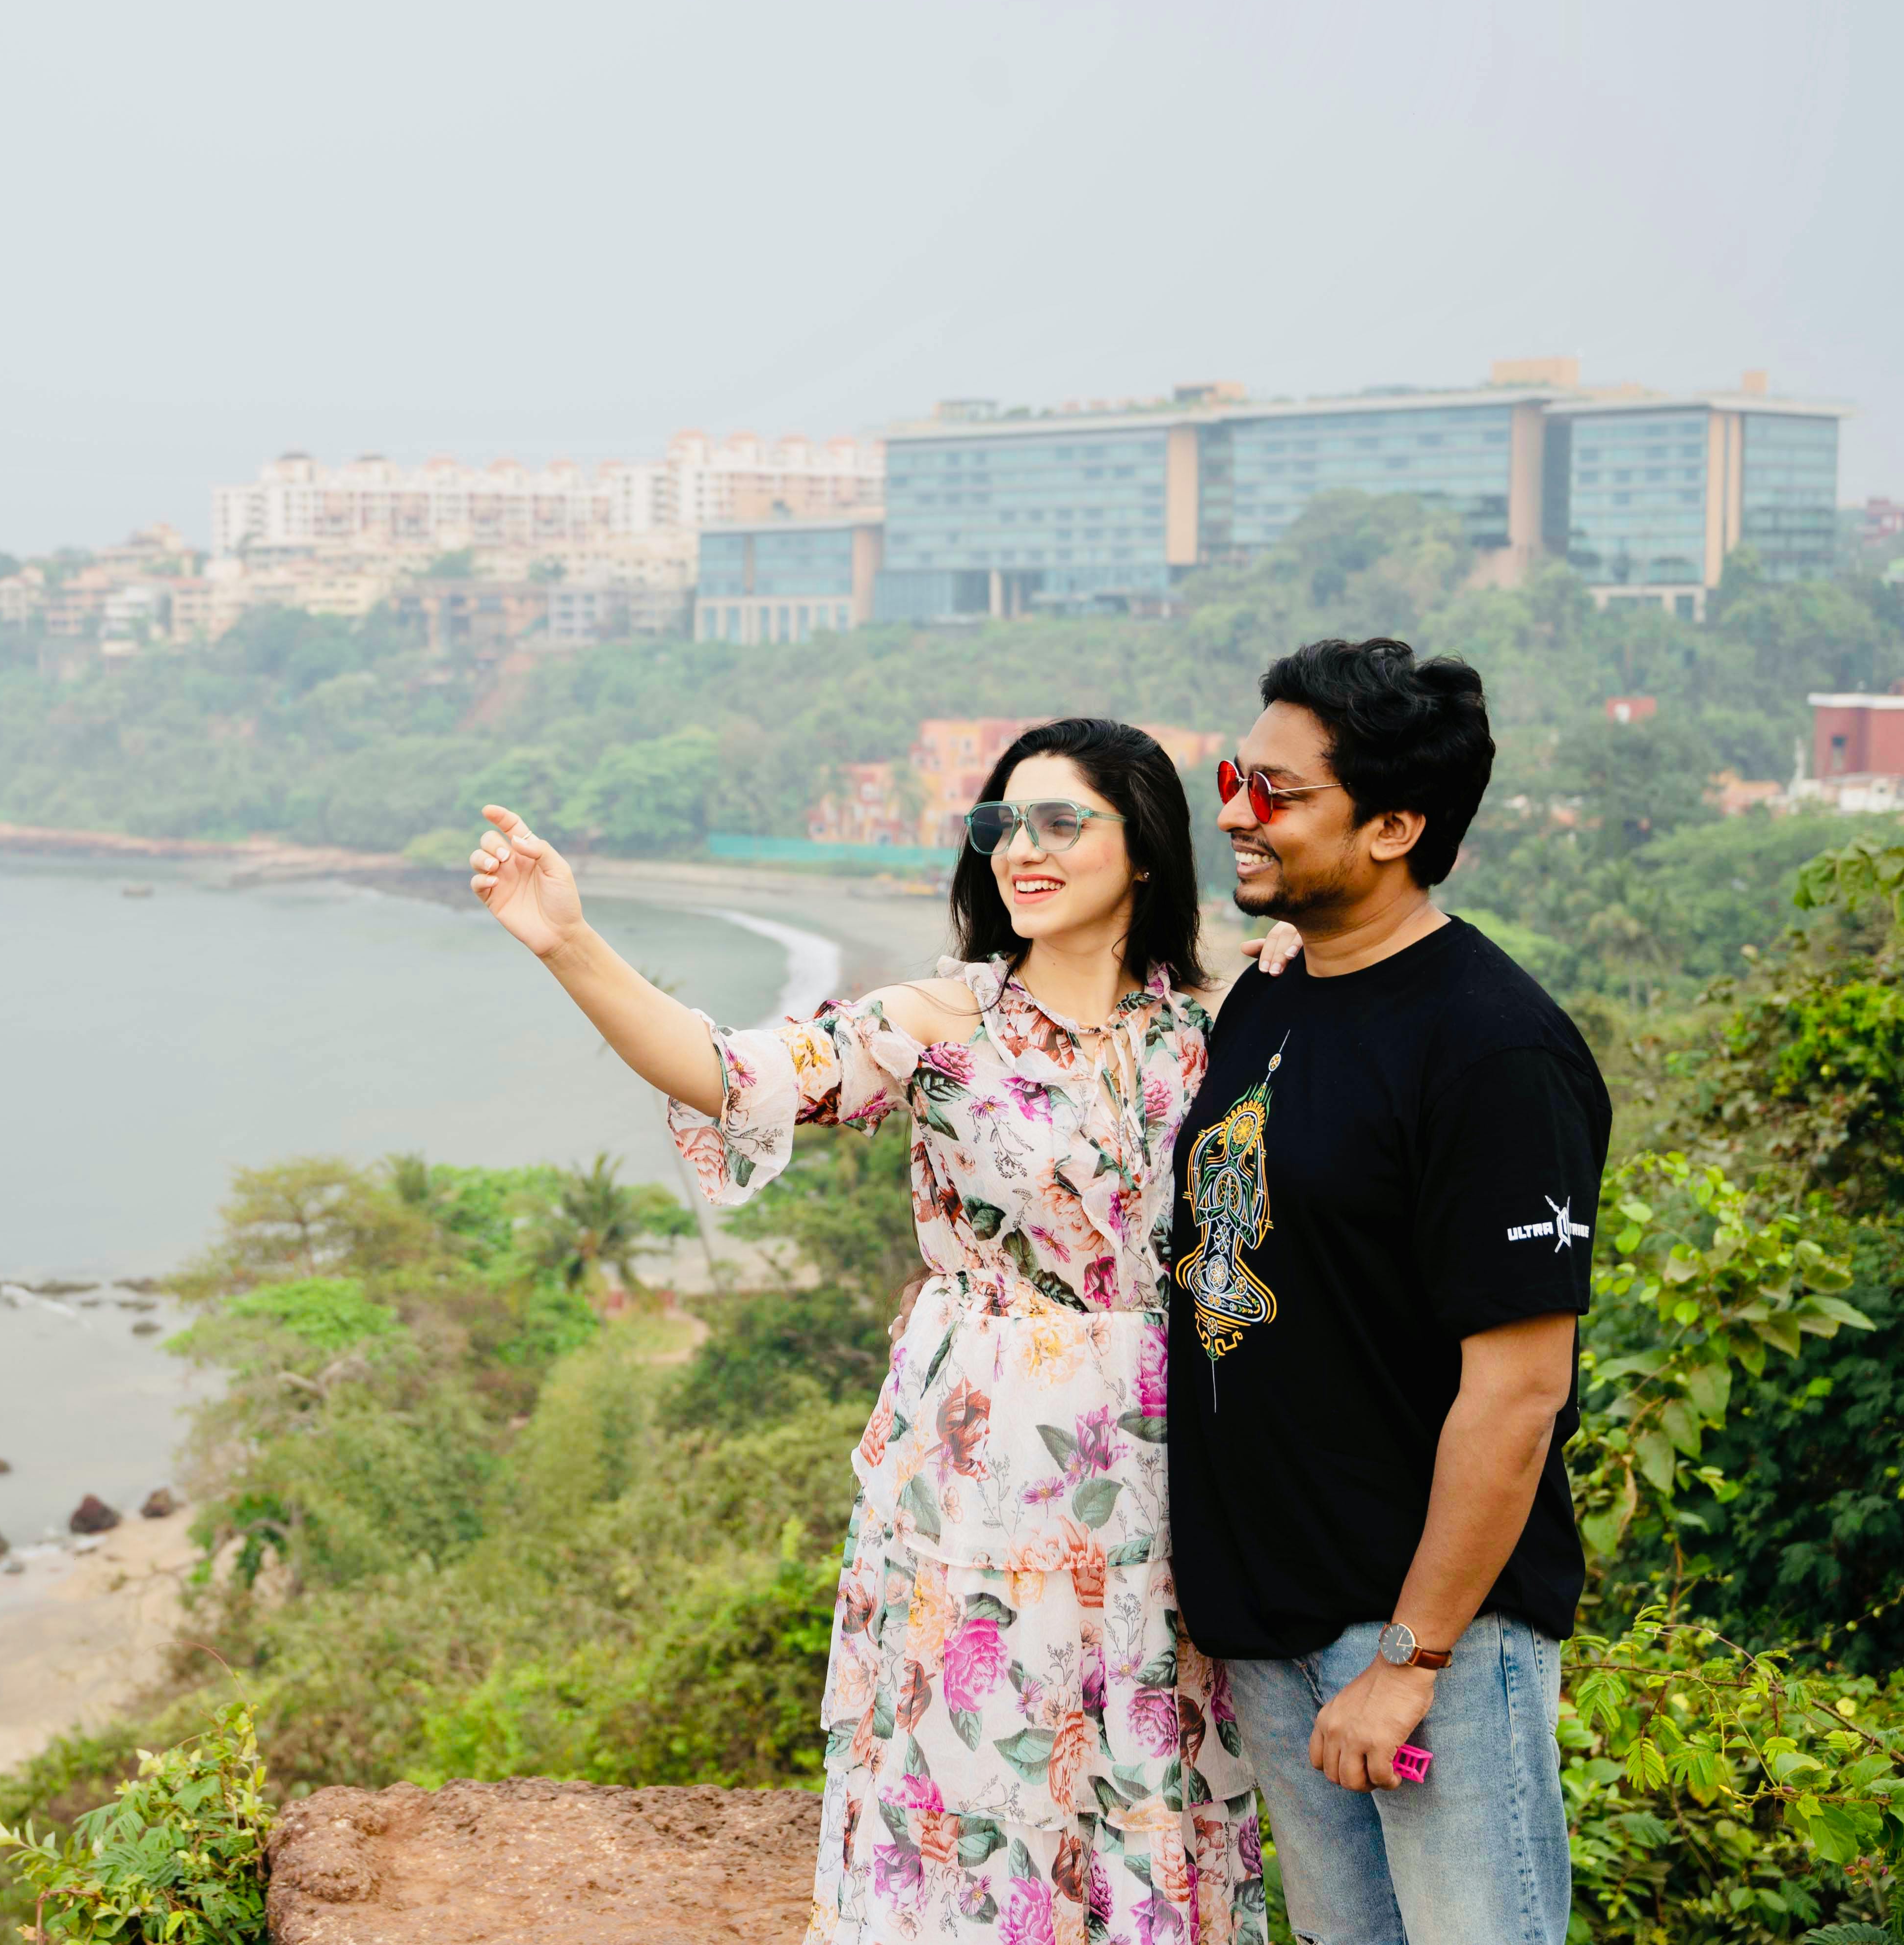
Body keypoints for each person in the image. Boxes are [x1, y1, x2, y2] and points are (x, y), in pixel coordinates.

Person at [469, 718, 1290, 1945]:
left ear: (1146, 847)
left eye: (1061, 821)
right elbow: (728, 1073)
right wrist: (567, 940)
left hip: (1172, 1457)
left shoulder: (1219, 1028)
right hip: (983, 1464)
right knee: (983, 1752)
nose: (1023, 848)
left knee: (1151, 1746)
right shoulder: (941, 1019)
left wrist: (1303, 955)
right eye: (1002, 824)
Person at [1165, 639, 1607, 1944]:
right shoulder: (1272, 998)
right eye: (1237, 775)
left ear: (1394, 827)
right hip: (1275, 1629)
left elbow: (1520, 1391)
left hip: (1426, 1640)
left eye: (1280, 792)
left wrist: (1410, 1660)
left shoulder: (1494, 1047)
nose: (1237, 811)